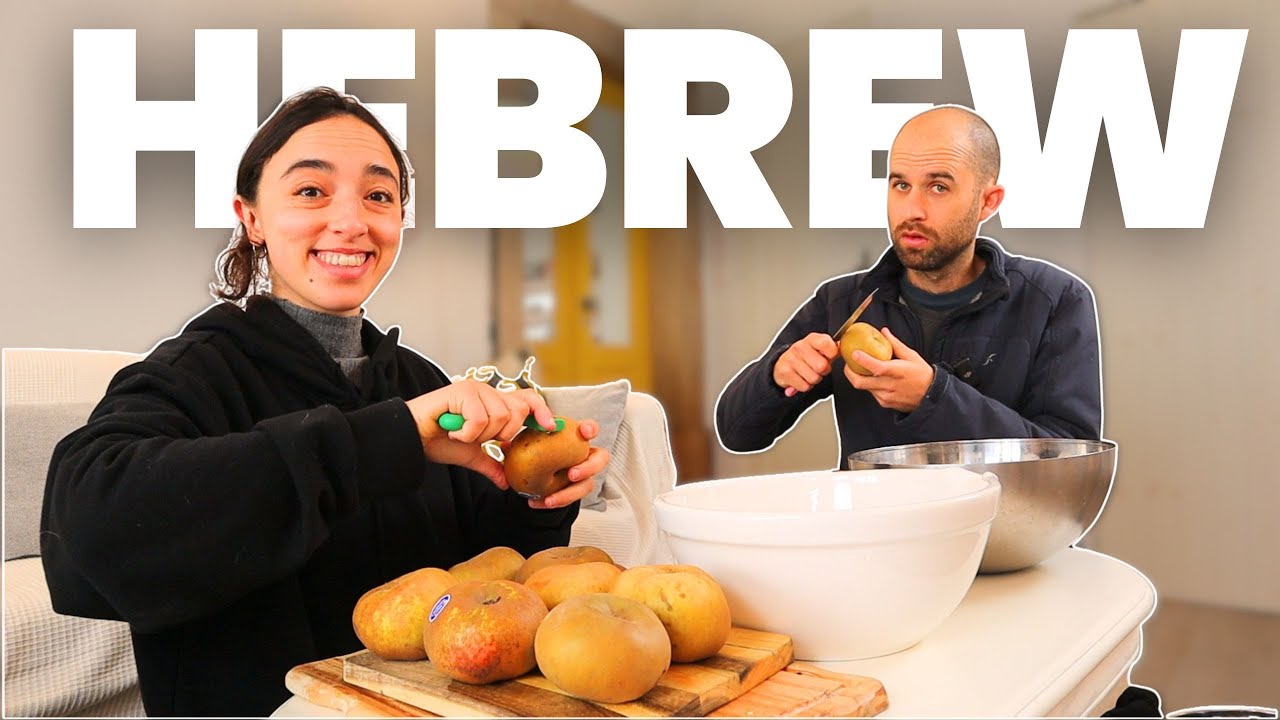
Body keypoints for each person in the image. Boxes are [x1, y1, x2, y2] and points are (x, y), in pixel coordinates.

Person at [39, 87, 609, 717]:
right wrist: (381, 440)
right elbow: (90, 531)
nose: (351, 221)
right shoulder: (192, 373)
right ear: (251, 217)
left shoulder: (419, 382)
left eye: (379, 195)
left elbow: (484, 579)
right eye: (311, 191)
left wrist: (536, 499)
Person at [715, 105, 1102, 463]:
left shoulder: (1054, 301)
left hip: (998, 534)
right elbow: (736, 433)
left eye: (938, 187)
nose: (912, 210)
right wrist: (776, 374)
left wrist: (935, 398)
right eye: (901, 185)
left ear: (988, 202)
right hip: (874, 533)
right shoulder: (842, 302)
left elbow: (1071, 458)